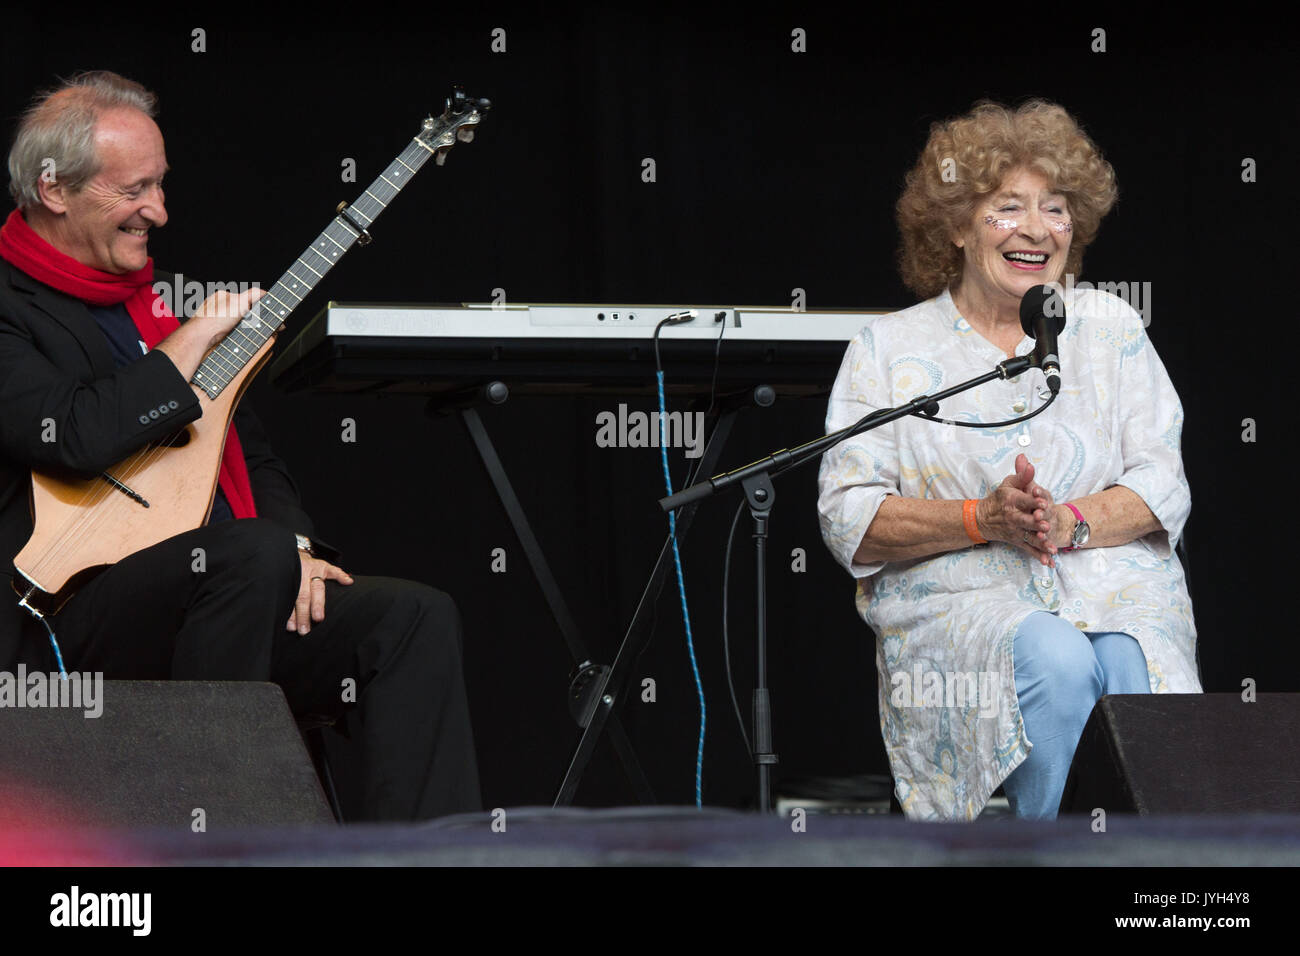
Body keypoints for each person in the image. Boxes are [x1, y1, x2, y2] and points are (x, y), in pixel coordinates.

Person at [0, 71, 480, 822]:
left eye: (160, 186)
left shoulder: (145, 310)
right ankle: (222, 831)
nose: (157, 210)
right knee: (246, 555)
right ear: (55, 190)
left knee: (410, 618)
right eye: (134, 191)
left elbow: (248, 455)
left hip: (222, 601)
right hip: (65, 623)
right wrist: (187, 344)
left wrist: (295, 544)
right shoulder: (13, 308)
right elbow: (71, 432)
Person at [817, 99, 1200, 820]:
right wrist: (982, 518)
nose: (1036, 229)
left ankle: (1154, 880)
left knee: (1128, 664)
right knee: (1055, 659)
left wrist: (1069, 520)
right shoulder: (887, 349)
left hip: (1118, 593)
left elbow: (1161, 482)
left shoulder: (1110, 328)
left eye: (1055, 209)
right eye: (1008, 208)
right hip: (962, 608)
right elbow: (850, 518)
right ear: (957, 226)